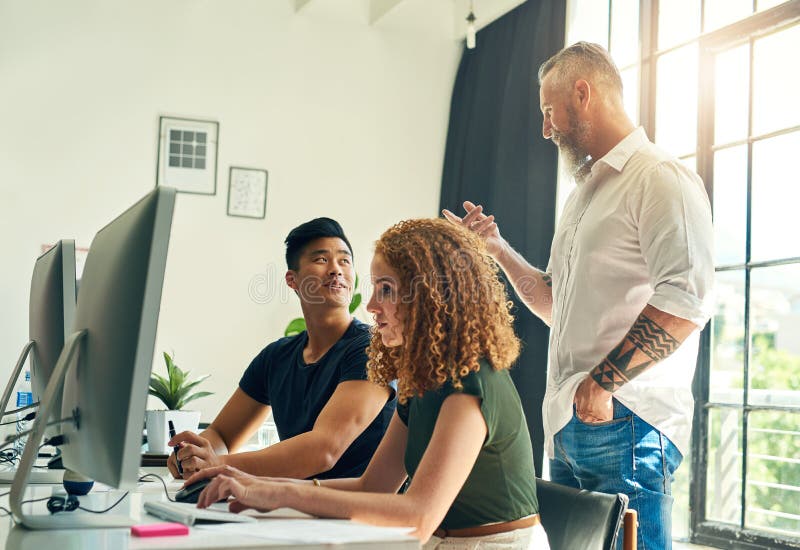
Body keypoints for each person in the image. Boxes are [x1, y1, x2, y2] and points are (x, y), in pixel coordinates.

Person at [443, 42, 714, 550]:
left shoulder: (659, 177)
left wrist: (603, 383)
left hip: (627, 422)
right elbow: (556, 304)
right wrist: (497, 249)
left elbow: (686, 301)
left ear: (583, 94)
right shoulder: (583, 196)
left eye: (549, 111)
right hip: (569, 422)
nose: (545, 129)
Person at [185, 218, 550, 549]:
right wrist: (259, 485)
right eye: (375, 288)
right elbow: (373, 486)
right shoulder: (422, 379)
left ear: (428, 297)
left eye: (386, 290)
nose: (372, 305)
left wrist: (282, 495)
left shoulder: (469, 382)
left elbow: (418, 517)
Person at [167, 217, 395, 481]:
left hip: (354, 504)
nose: (336, 269)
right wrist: (194, 455)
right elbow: (221, 436)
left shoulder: (372, 347)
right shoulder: (276, 357)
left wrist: (217, 463)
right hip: (294, 499)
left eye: (345, 261)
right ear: (292, 280)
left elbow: (324, 451)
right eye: (322, 259)